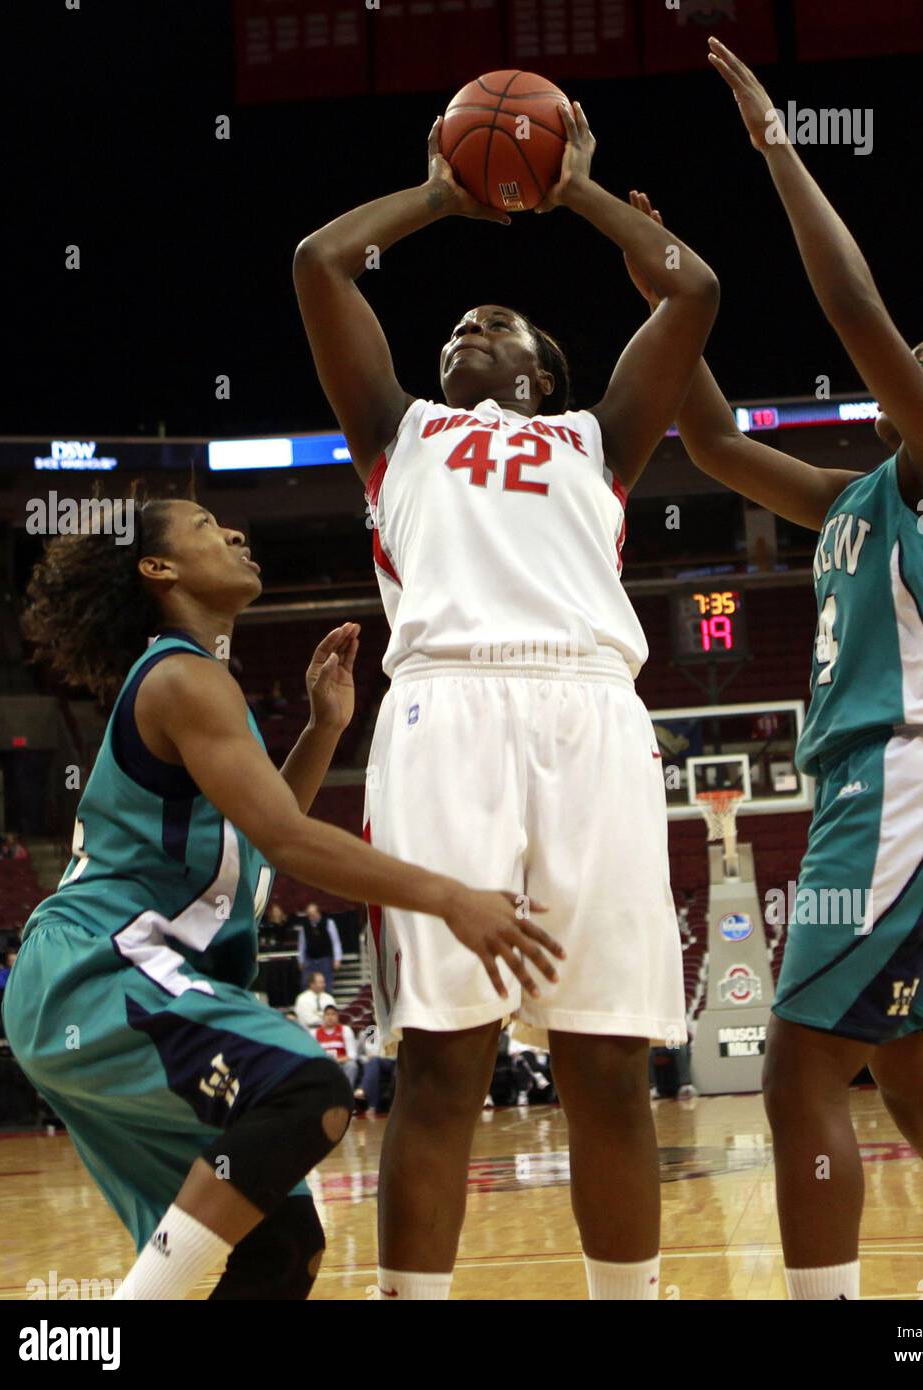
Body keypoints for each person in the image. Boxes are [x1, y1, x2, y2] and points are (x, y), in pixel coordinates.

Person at [617, 36, 923, 1302]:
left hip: (904, 787)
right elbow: (705, 437)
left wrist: (776, 146)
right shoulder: (856, 497)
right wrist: (661, 293)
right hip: (918, 793)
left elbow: (855, 314)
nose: (906, 372)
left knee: (798, 1072)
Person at [294, 99, 719, 1300]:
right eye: (457, 324)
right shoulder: (400, 429)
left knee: (608, 1066)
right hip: (448, 713)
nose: (468, 327)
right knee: (441, 1063)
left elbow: (692, 296)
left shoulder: (601, 438)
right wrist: (440, 193)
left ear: (542, 373)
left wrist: (575, 187)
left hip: (593, 712)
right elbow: (318, 262)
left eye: (497, 320)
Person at [4, 494, 562, 1301]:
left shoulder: (198, 681)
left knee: (286, 1244)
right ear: (156, 569)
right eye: (203, 528)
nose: (234, 530)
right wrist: (451, 897)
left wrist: (322, 730)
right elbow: (294, 844)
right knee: (306, 1088)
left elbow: (262, 838)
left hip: (87, 986)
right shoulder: (182, 678)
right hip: (99, 967)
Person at [294, 901, 342, 993]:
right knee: (305, 985)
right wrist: (301, 960)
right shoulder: (305, 926)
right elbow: (302, 944)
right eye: (309, 914)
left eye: (313, 914)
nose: (311, 917)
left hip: (325, 959)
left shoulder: (328, 923)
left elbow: (335, 942)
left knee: (326, 985)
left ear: (318, 913)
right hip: (310, 960)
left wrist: (337, 959)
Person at [315, 1005, 360, 1091]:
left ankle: (347, 1093)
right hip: (323, 1064)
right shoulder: (315, 1032)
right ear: (323, 1017)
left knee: (352, 1065)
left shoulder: (345, 1030)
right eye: (327, 1014)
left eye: (333, 1014)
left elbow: (352, 1054)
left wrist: (337, 1060)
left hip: (341, 1063)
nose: (330, 1017)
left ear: (337, 1017)